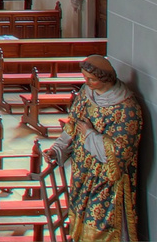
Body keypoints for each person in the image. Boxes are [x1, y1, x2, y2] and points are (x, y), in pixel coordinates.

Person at [47, 55, 142, 241]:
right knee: (80, 218)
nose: (87, 83)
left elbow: (121, 153)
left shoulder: (127, 108)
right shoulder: (86, 94)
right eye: (85, 78)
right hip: (82, 170)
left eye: (92, 79)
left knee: (99, 224)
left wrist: (91, 135)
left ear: (106, 79)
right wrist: (57, 148)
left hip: (105, 177)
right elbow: (73, 127)